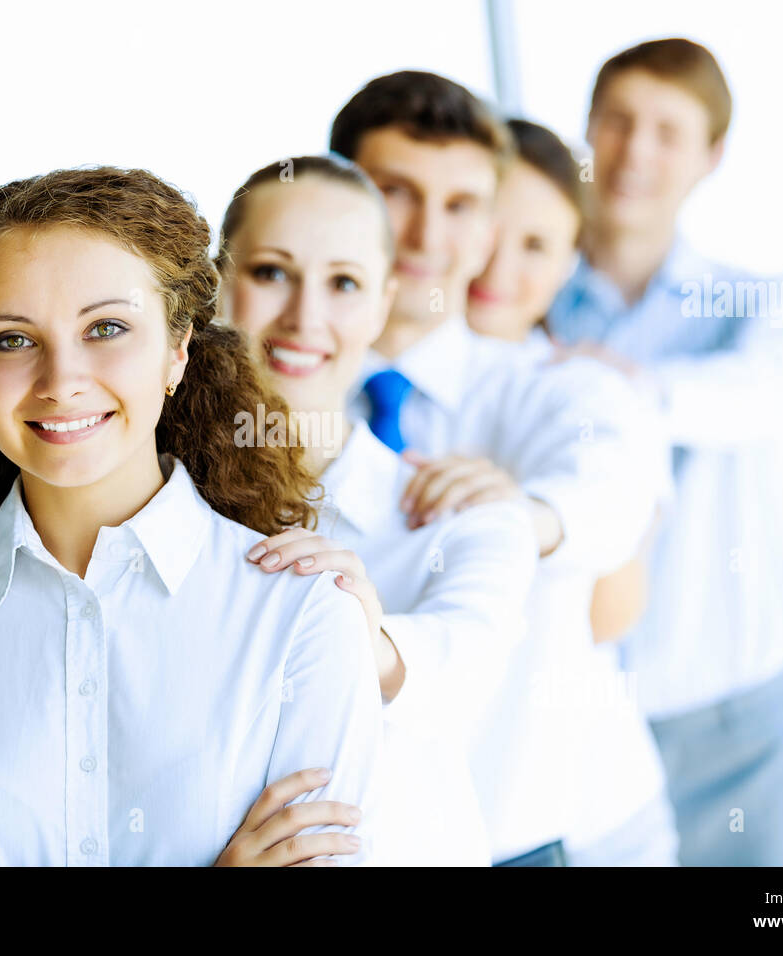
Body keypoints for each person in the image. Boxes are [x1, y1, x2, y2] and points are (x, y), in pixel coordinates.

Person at [0, 166, 384, 867]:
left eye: (107, 328)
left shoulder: (300, 618)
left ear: (178, 349)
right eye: (11, 339)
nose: (62, 382)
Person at [330, 70, 667, 865]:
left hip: (509, 837)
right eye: (394, 194)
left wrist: (528, 517)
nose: (424, 236)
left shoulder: (560, 388)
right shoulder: (265, 395)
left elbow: (611, 495)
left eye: (460, 207)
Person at [546, 38, 783, 865]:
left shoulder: (762, 306)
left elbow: (764, 393)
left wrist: (619, 387)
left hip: (745, 731)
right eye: (617, 122)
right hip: (589, 736)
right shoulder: (535, 312)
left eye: (669, 132)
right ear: (588, 135)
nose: (636, 151)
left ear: (711, 157)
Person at [218, 154, 538, 865]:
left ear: (384, 299)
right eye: (271, 272)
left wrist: (364, 633)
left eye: (344, 284)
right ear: (216, 283)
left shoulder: (470, 521)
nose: (305, 317)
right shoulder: (147, 515)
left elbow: (464, 668)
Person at [465, 117, 678, 865]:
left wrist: (515, 522)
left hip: (589, 815)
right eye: (484, 229)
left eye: (536, 246)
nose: (496, 265)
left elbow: (609, 611)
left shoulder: (593, 395)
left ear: (568, 265)